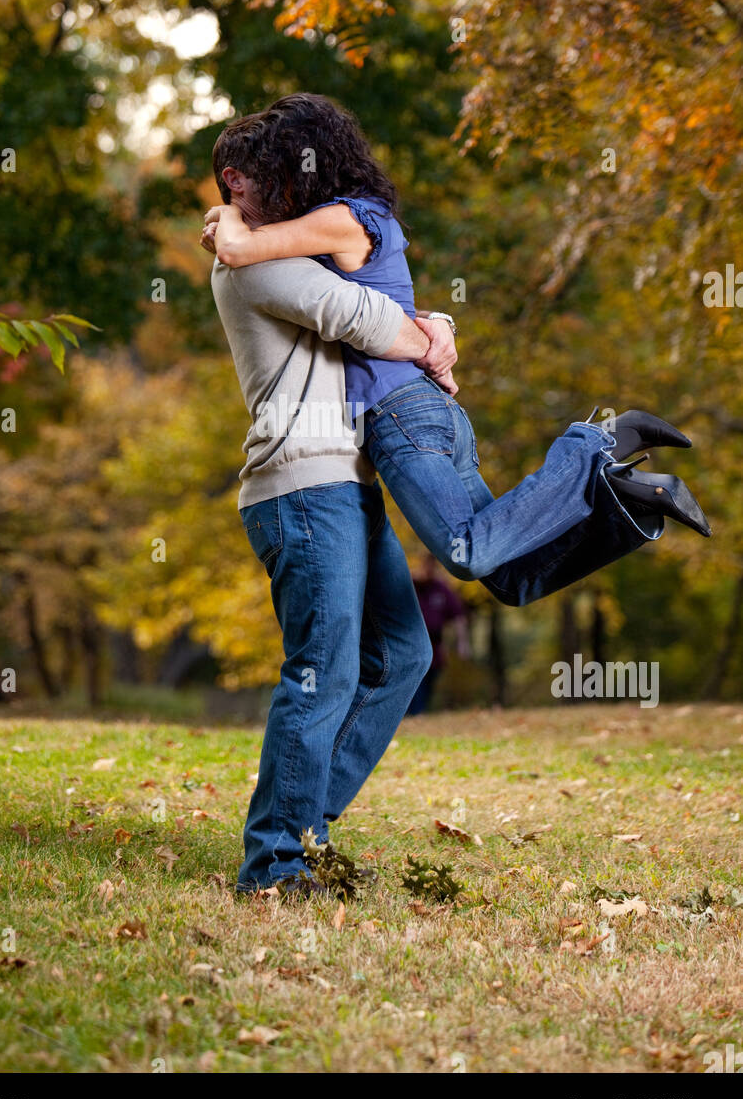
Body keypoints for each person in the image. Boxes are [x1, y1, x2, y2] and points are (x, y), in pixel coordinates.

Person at [203, 93, 710, 614]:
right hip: (427, 408)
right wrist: (439, 322)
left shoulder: (339, 219)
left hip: (395, 411)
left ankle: (594, 441)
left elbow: (239, 251)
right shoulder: (360, 217)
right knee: (511, 574)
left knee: (467, 551)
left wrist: (225, 213)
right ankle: (636, 497)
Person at [207, 124, 461, 893]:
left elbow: (369, 297)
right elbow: (359, 318)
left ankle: (305, 826)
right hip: (302, 484)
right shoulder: (250, 267)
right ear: (233, 183)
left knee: (404, 655)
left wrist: (434, 323)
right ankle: (275, 865)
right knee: (322, 671)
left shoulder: (281, 249)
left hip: (344, 482)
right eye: (259, 178)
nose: (285, 188)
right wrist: (429, 334)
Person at [408, 554, 471, 716]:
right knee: (416, 679)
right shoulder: (411, 585)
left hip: (435, 644)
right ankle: (415, 713)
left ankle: (418, 712)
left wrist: (462, 643)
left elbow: (458, 616)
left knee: (430, 679)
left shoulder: (441, 588)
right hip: (413, 644)